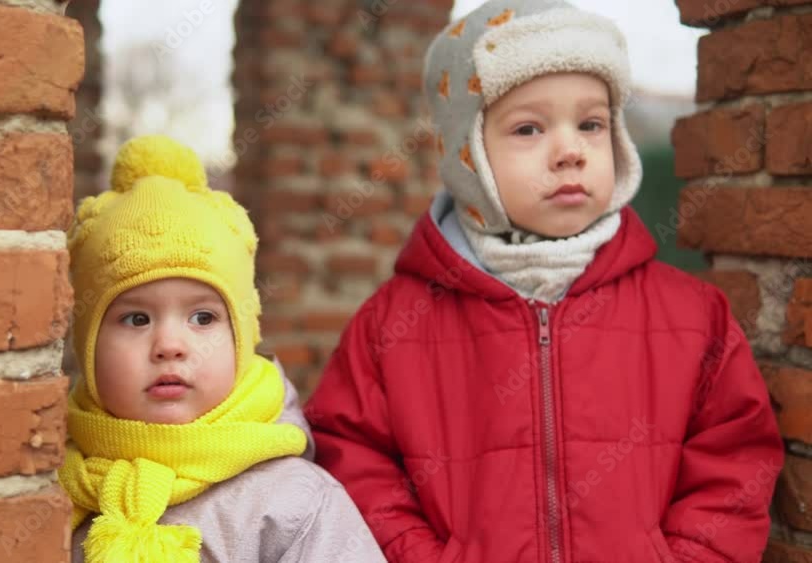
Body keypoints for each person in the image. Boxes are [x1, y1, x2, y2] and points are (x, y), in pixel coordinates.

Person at [304, 1, 783, 561]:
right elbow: (351, 462)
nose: (569, 152)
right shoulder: (393, 325)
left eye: (591, 124)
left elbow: (736, 464)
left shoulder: (692, 315)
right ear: (468, 155)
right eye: (529, 128)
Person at [61, 135, 384, 562]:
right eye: (136, 319)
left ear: (242, 339)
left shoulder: (294, 502)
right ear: (88, 348)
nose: (170, 346)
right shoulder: (56, 491)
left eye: (203, 318)